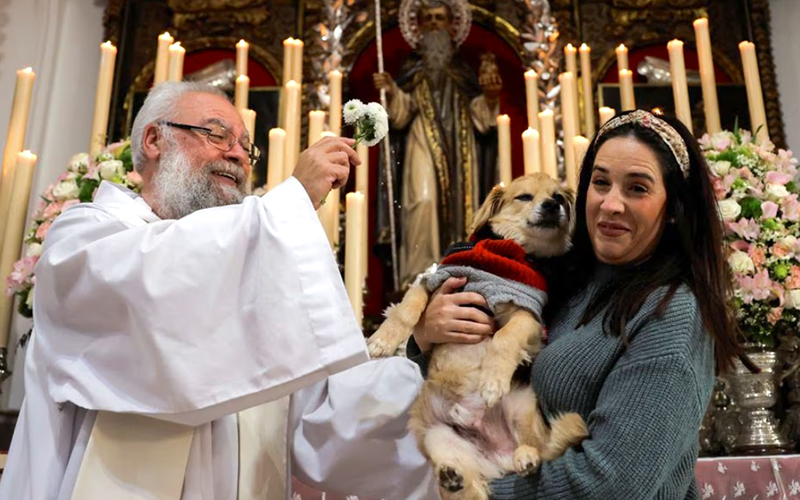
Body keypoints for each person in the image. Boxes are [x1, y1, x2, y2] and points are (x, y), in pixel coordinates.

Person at [0, 81, 438, 500]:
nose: (237, 155)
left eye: (246, 146)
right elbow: (159, 294)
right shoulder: (84, 239)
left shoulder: (254, 273)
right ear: (154, 141)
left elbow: (321, 422)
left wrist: (422, 347)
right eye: (216, 134)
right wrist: (293, 200)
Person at [409, 109, 743, 499]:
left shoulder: (671, 314)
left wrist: (478, 490)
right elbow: (461, 394)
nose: (611, 203)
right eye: (601, 183)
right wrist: (428, 336)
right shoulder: (565, 280)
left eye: (637, 188)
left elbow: (613, 484)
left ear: (672, 209)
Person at [373, 0, 503, 286]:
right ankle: (417, 277)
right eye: (428, 18)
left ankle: (460, 269)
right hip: (421, 141)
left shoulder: (462, 70)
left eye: (440, 18)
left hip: (461, 151)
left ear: (451, 24)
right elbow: (400, 117)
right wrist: (392, 91)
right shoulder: (411, 69)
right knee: (423, 201)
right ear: (418, 26)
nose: (434, 23)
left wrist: (491, 97)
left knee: (463, 208)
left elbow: (481, 118)